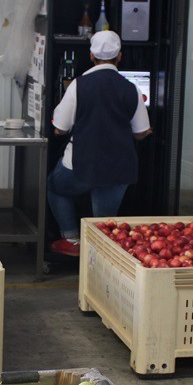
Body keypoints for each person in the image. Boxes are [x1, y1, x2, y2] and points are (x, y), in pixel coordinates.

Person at [47, 30, 152, 257]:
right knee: (102, 224)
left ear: (91, 56)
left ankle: (72, 239)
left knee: (55, 188)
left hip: (81, 164)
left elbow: (59, 128)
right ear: (120, 57)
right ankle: (98, 257)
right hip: (119, 168)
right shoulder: (131, 88)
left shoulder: (78, 85)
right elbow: (142, 132)